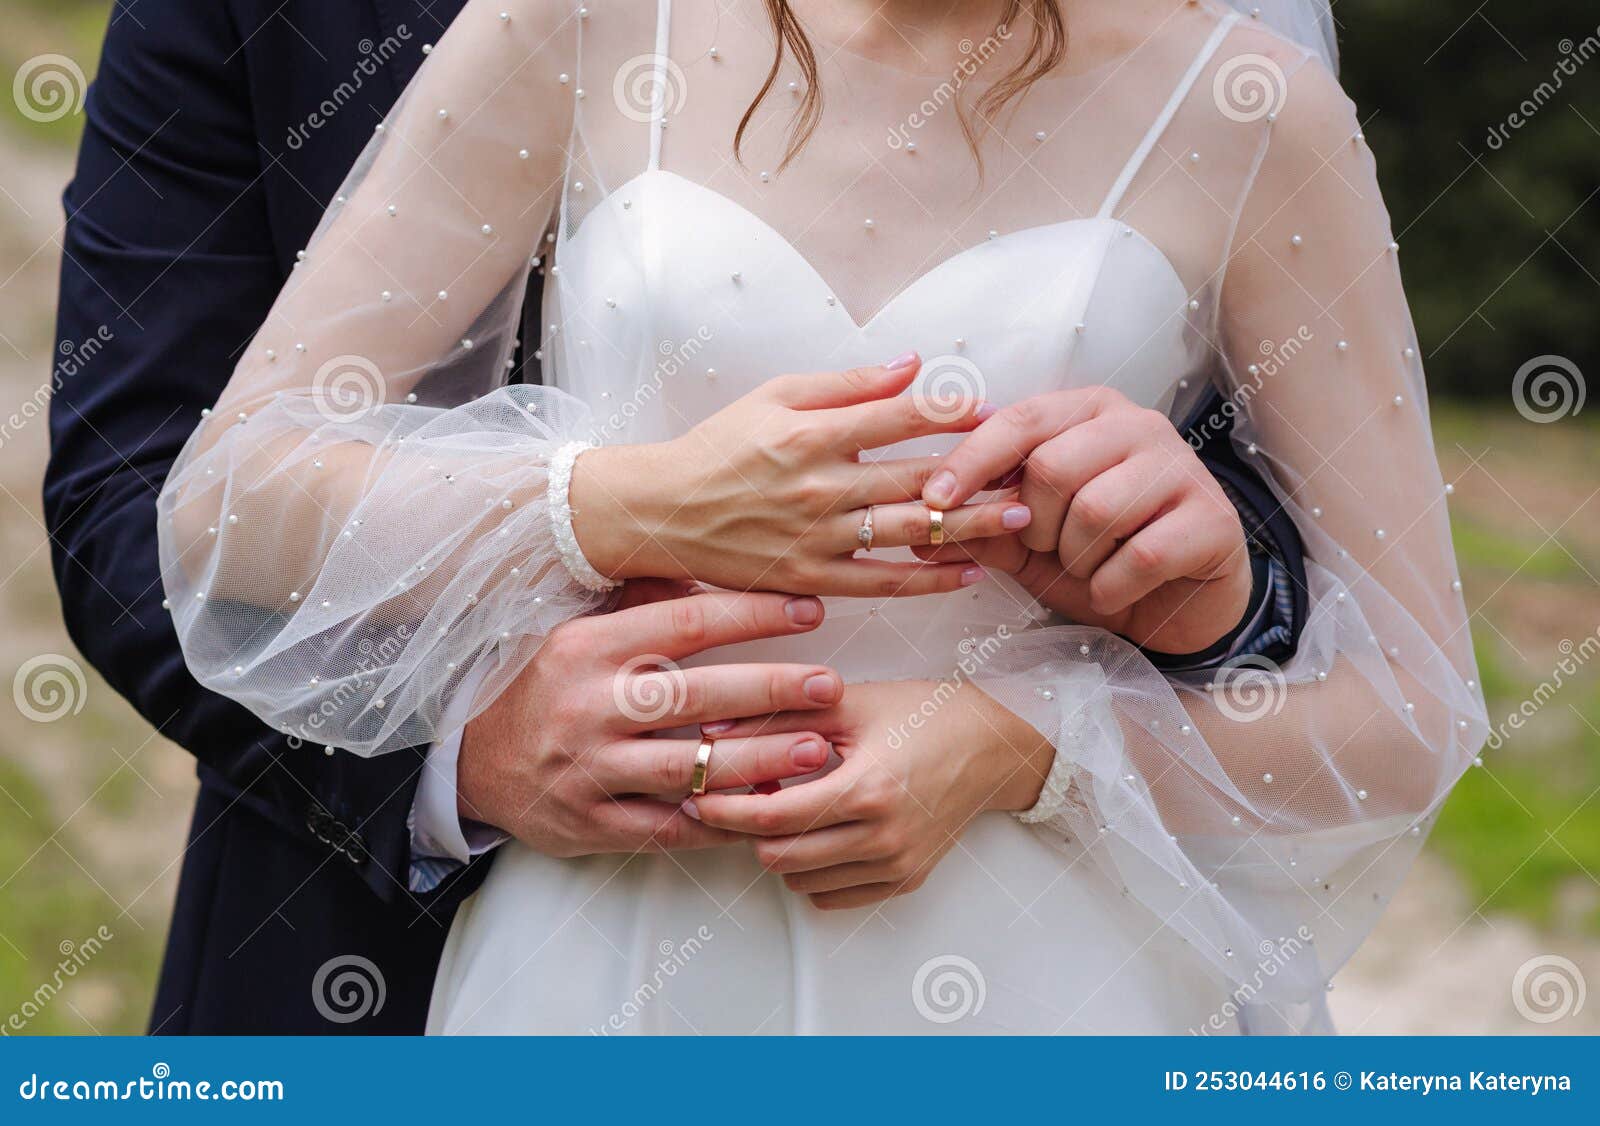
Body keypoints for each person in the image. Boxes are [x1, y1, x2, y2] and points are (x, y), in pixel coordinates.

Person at [46, 0, 1297, 1034]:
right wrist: (459, 751)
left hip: (1025, 942)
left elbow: (1271, 515)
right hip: (363, 956)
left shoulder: (1214, 73)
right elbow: (137, 498)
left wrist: (1112, 674)